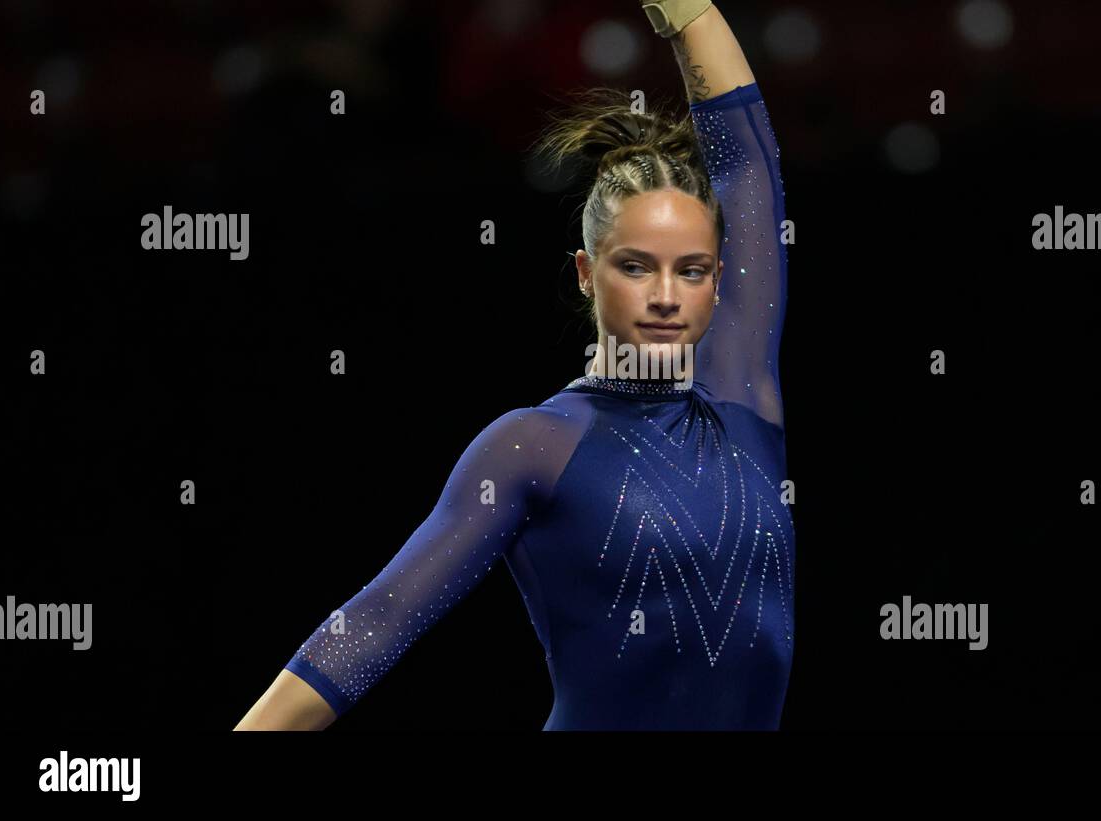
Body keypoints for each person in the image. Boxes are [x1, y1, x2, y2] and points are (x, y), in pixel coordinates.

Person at [235, 0, 791, 730]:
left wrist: (688, 11)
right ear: (588, 272)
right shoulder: (534, 444)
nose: (664, 295)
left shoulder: (740, 395)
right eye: (635, 266)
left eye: (690, 270)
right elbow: (379, 618)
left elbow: (745, 158)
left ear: (721, 278)